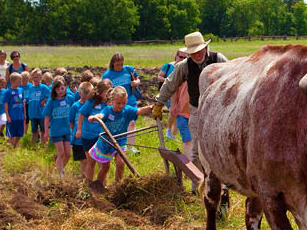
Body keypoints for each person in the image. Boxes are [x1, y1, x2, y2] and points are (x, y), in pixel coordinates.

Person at [152, 31, 229, 212]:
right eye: (192, 52)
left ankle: (223, 189)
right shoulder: (185, 66)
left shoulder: (219, 60)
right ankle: (198, 188)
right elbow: (170, 84)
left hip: (219, 110)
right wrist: (159, 103)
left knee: (220, 149)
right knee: (196, 151)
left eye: (199, 51)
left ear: (206, 47)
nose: (196, 55)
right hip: (197, 110)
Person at [87, 87, 152, 189]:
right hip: (106, 143)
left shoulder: (127, 110)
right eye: (118, 103)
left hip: (120, 141)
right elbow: (101, 115)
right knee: (105, 167)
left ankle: (117, 187)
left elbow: (139, 111)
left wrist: (152, 107)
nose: (121, 106)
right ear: (112, 101)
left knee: (121, 163)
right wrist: (95, 117)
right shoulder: (108, 110)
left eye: (124, 102)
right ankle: (97, 188)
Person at [102, 53, 142, 153]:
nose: (120, 67)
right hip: (116, 103)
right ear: (112, 64)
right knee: (119, 125)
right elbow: (105, 89)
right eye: (117, 65)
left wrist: (136, 83)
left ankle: (131, 147)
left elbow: (138, 79)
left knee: (132, 123)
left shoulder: (129, 69)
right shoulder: (107, 75)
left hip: (130, 101)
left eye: (121, 64)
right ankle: (118, 144)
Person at [77, 78, 112, 183]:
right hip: (88, 136)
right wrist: (79, 129)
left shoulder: (110, 105)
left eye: (111, 91)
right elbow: (81, 115)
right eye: (107, 92)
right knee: (91, 161)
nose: (109, 94)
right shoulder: (91, 103)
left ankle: (101, 184)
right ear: (100, 92)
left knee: (103, 162)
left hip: (102, 137)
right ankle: (88, 183)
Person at [44, 76, 72, 177]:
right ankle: (59, 176)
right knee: (61, 153)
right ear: (54, 90)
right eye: (57, 89)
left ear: (65, 88)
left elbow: (76, 109)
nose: (60, 91)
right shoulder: (51, 101)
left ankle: (59, 169)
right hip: (56, 130)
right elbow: (47, 116)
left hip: (67, 130)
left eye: (62, 88)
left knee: (68, 154)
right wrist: (46, 131)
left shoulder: (70, 98)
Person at [26, 69, 50, 145]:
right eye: (34, 77)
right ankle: (33, 145)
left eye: (37, 77)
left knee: (43, 131)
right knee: (34, 131)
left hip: (41, 113)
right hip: (33, 113)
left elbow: (50, 97)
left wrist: (43, 101)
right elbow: (27, 99)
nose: (35, 79)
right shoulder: (30, 89)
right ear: (31, 78)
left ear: (41, 78)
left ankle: (44, 145)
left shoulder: (44, 88)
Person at [3, 72, 26, 148]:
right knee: (11, 133)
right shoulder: (8, 92)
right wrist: (7, 116)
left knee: (20, 134)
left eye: (21, 81)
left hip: (20, 116)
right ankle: (12, 147)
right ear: (12, 81)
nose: (20, 82)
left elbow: (23, 102)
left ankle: (15, 144)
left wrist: (24, 114)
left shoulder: (21, 90)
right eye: (18, 81)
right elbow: (6, 104)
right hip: (12, 116)